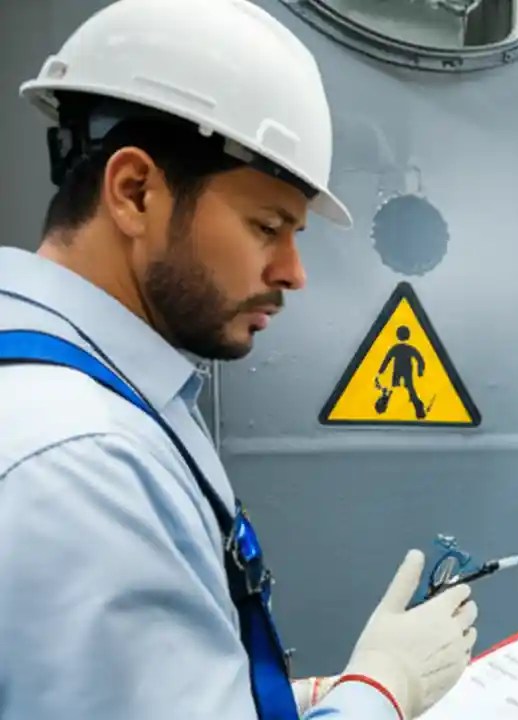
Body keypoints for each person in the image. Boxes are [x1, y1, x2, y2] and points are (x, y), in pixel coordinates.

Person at [0, 1, 478, 718]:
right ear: (135, 193)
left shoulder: (79, 390)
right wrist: (382, 691)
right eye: (266, 226)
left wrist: (287, 699)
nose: (294, 272)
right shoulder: (80, 466)